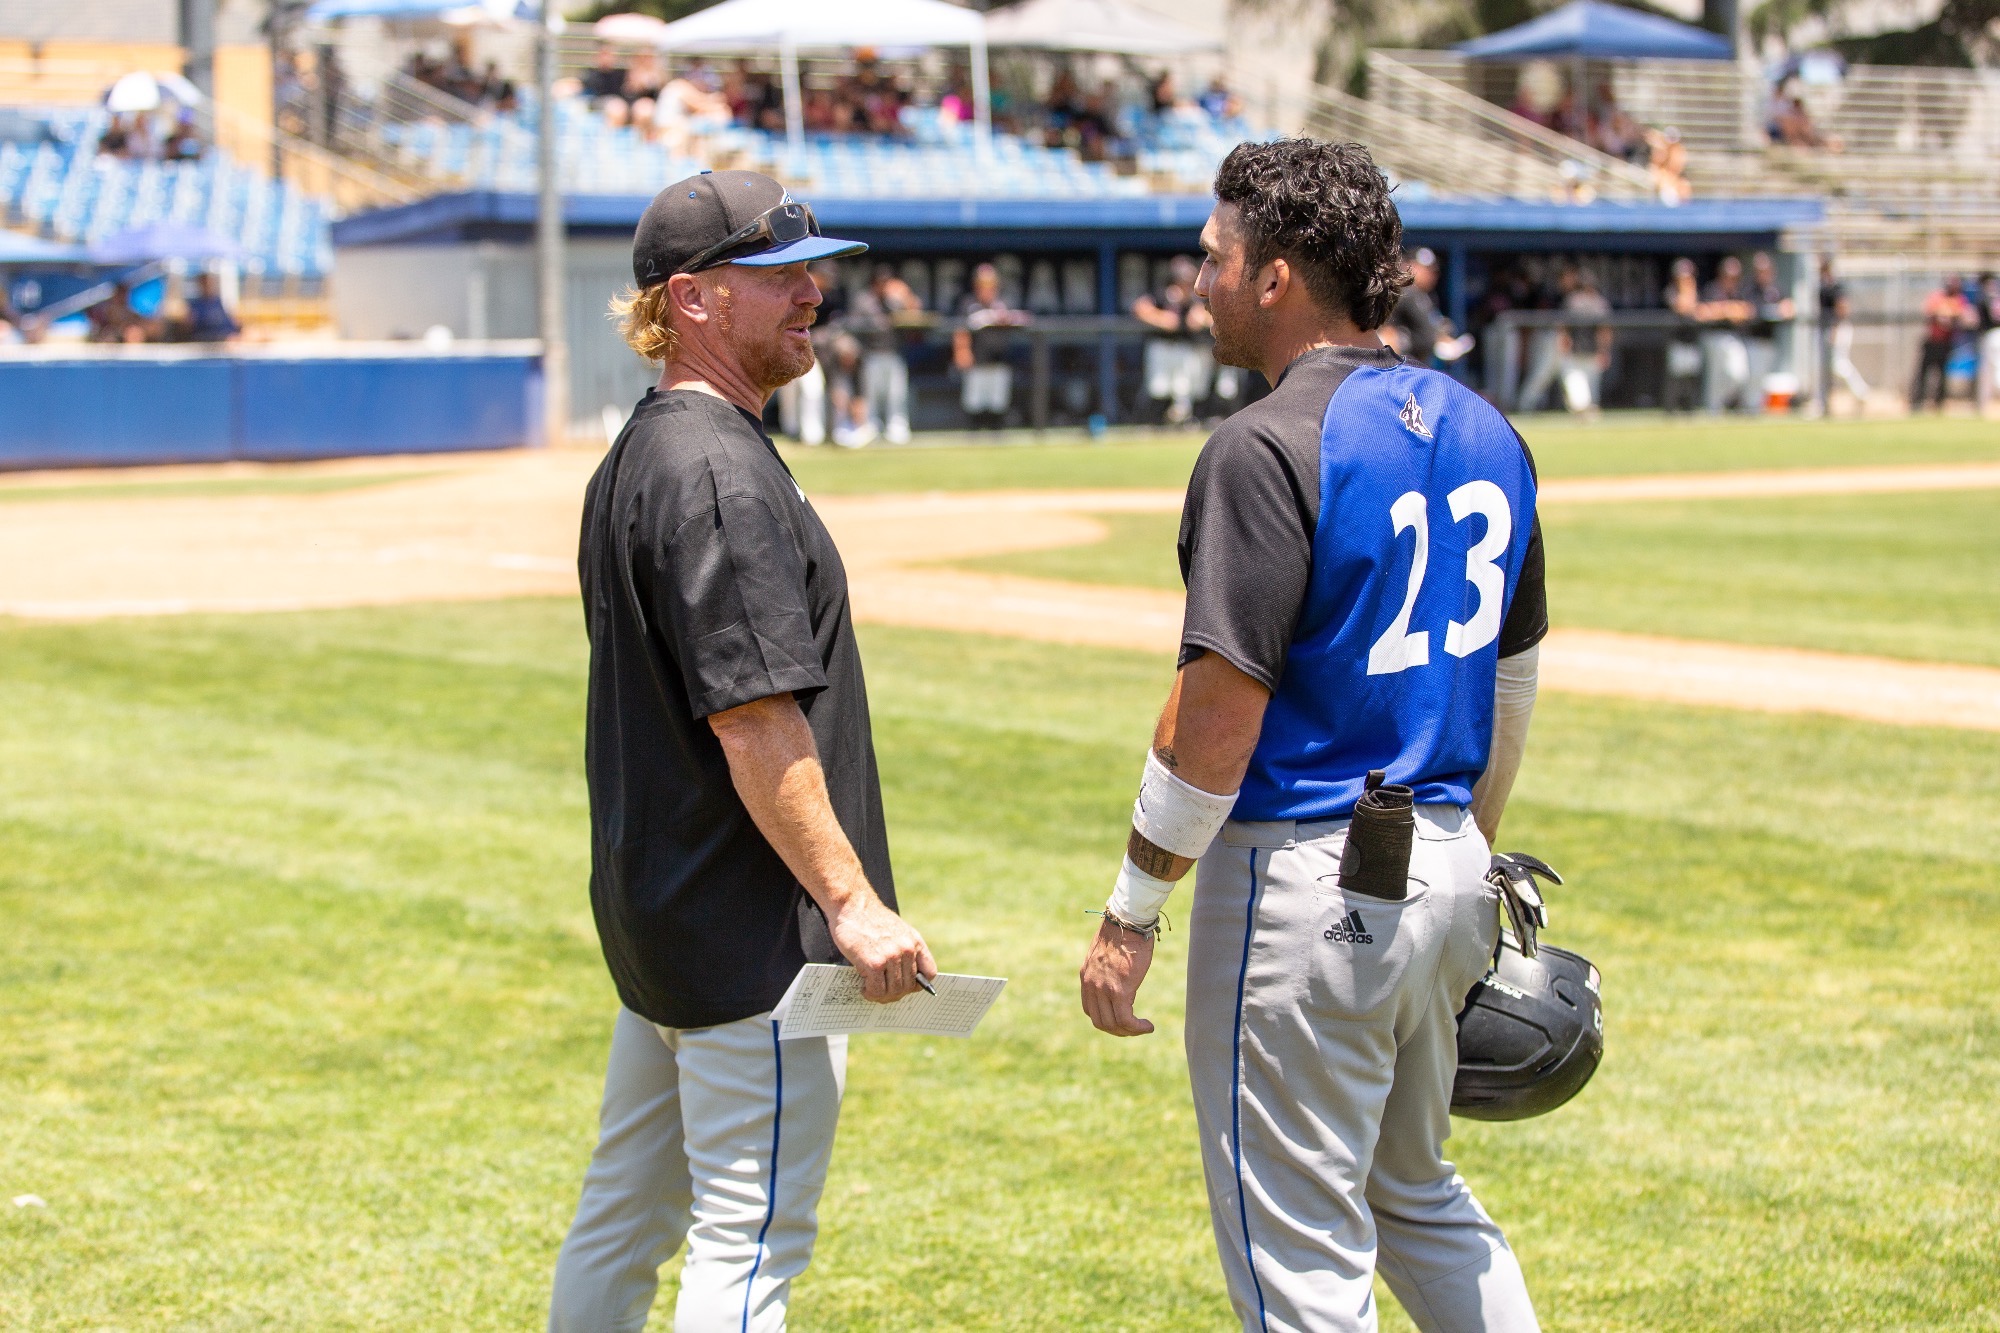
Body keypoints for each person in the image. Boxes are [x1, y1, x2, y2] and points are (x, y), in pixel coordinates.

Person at [1077, 136, 1547, 1333]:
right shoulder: (1488, 428)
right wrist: (1465, 849)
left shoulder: (1261, 444)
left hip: (1302, 881)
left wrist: (1131, 910)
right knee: (1417, 1196)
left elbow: (1215, 715)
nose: (1199, 284)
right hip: (1443, 861)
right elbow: (1511, 675)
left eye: (1213, 259)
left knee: (1299, 1261)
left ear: (1275, 276)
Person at [549, 171, 936, 1333]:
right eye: (777, 276)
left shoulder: (643, 452)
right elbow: (753, 717)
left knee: (622, 1219)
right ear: (694, 299)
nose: (812, 293)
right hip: (751, 937)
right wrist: (850, 900)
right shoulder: (714, 468)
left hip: (664, 921)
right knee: (750, 1241)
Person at [845, 265, 922, 445]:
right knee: (871, 395)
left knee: (896, 394)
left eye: (886, 282)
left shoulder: (894, 301)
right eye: (881, 282)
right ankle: (870, 427)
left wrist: (906, 296)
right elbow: (853, 327)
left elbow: (915, 315)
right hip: (871, 354)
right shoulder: (864, 301)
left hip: (893, 353)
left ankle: (897, 428)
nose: (884, 286)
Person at [1134, 255, 1213, 425]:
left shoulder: (1195, 297)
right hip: (1162, 345)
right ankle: (1151, 422)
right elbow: (1140, 307)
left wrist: (1201, 316)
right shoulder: (1162, 293)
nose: (1185, 284)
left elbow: (1206, 315)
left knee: (1185, 389)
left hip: (1186, 347)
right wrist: (1161, 318)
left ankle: (1185, 422)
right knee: (1158, 387)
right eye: (1181, 280)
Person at [953, 262, 1030, 429]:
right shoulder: (968, 303)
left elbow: (1022, 320)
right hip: (977, 361)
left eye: (990, 285)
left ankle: (996, 438)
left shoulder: (1002, 304)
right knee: (974, 404)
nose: (987, 289)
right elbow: (960, 330)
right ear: (976, 285)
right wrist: (962, 351)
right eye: (983, 284)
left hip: (999, 360)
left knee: (998, 405)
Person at [1698, 256, 1757, 413]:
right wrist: (1725, 310)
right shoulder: (1712, 289)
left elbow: (1749, 310)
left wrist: (1732, 310)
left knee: (1738, 374)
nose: (1732, 279)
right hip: (1714, 336)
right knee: (1715, 377)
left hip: (1734, 338)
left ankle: (1722, 403)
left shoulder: (1741, 290)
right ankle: (1713, 409)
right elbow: (1701, 312)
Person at [1817, 258, 1870, 413]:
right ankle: (1823, 403)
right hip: (1826, 328)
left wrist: (1835, 327)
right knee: (1826, 366)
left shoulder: (1835, 286)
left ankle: (1861, 391)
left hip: (1837, 328)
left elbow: (1842, 307)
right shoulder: (1822, 285)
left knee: (1839, 364)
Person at [1911, 276, 1971, 412]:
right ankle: (1917, 403)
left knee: (1942, 374)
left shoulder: (1959, 300)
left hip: (1946, 343)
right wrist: (1943, 316)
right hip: (1932, 341)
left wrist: (1952, 317)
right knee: (1923, 373)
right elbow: (1930, 313)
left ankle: (1938, 404)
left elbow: (1965, 317)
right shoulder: (1937, 297)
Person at [1744, 251, 1794, 410]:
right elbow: (1746, 310)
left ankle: (1758, 407)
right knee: (1752, 377)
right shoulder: (1750, 289)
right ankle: (1750, 408)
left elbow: (1789, 307)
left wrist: (1784, 309)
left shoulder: (1776, 289)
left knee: (1764, 377)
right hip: (1752, 340)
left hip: (1770, 340)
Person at [1663, 258, 1706, 413]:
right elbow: (1683, 306)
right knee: (1676, 377)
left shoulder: (1696, 291)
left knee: (1691, 377)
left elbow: (1701, 311)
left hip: (1692, 340)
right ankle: (1671, 408)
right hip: (1677, 340)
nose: (1686, 279)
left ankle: (1689, 408)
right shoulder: (1671, 291)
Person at [86, 282, 151, 344]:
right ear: (115, 295)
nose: (122, 297)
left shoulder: (131, 312)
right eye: (120, 294)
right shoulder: (106, 310)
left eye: (124, 294)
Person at [1975, 273, 2000, 415]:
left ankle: (1984, 403)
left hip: (1991, 334)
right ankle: (1984, 404)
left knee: (1991, 369)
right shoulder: (1995, 296)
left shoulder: (1983, 297)